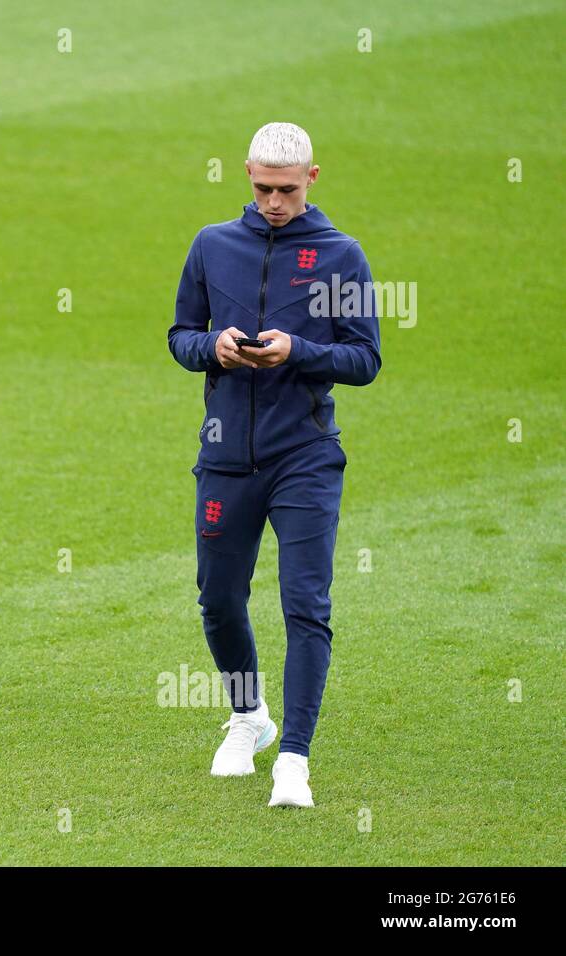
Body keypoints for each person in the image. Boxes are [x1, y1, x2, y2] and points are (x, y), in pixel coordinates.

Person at [167, 122, 381, 807]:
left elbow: (365, 359)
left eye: (286, 189)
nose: (272, 202)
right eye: (261, 187)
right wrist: (214, 348)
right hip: (226, 453)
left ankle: (294, 758)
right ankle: (249, 717)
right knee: (219, 599)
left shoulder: (340, 255)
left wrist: (298, 352)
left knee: (304, 604)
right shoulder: (211, 245)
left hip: (305, 457)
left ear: (312, 178)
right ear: (246, 175)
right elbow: (179, 335)